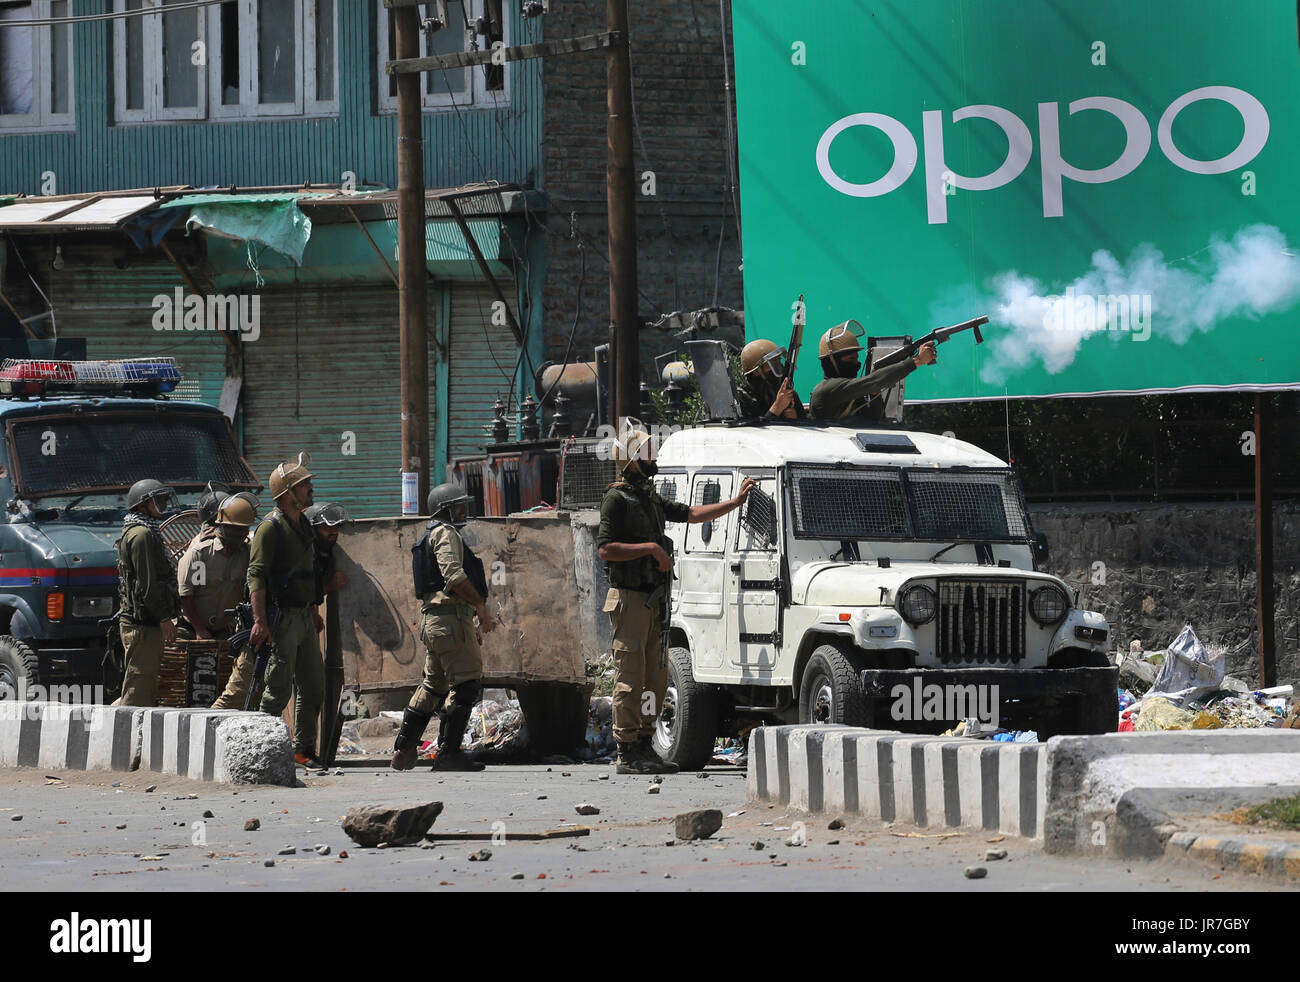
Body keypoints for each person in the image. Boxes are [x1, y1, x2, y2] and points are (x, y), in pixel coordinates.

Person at [597, 428, 754, 774]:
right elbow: (605, 548)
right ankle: (626, 750)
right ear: (633, 460)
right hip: (630, 601)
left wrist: (735, 503)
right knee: (630, 677)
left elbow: (692, 514)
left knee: (655, 678)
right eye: (648, 454)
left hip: (655, 602)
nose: (654, 460)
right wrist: (651, 548)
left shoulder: (650, 498)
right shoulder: (617, 499)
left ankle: (644, 743)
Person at [391, 484, 497, 772]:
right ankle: (448, 754)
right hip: (450, 620)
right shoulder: (445, 532)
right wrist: (480, 607)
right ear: (444, 509)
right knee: (466, 684)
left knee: (434, 685)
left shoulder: (431, 533)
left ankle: (404, 747)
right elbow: (453, 574)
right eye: (458, 507)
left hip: (437, 621)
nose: (463, 511)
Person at [248, 453, 324, 768]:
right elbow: (257, 576)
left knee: (313, 685)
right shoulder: (270, 528)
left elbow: (310, 570)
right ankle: (263, 752)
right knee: (277, 688)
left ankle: (301, 750)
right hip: (281, 620)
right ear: (288, 494)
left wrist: (314, 609)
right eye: (304, 485)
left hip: (304, 617)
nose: (311, 490)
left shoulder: (303, 523)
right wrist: (260, 621)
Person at [114, 479, 181, 706]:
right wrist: (164, 618)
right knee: (138, 691)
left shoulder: (145, 531)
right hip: (142, 625)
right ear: (142, 505)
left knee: (144, 687)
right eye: (157, 500)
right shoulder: (141, 535)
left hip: (146, 623)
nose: (162, 504)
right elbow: (148, 585)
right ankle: (122, 739)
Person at [808, 319, 937, 420]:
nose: (856, 363)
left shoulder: (852, 393)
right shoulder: (826, 389)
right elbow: (872, 381)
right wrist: (918, 360)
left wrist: (875, 392)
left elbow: (874, 420)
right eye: (851, 359)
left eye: (857, 358)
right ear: (832, 361)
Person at [736, 338, 806, 420]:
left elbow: (807, 426)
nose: (778, 366)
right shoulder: (741, 398)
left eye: (778, 360)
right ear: (756, 372)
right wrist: (777, 407)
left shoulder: (787, 394)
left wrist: (795, 419)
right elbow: (753, 431)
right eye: (772, 362)